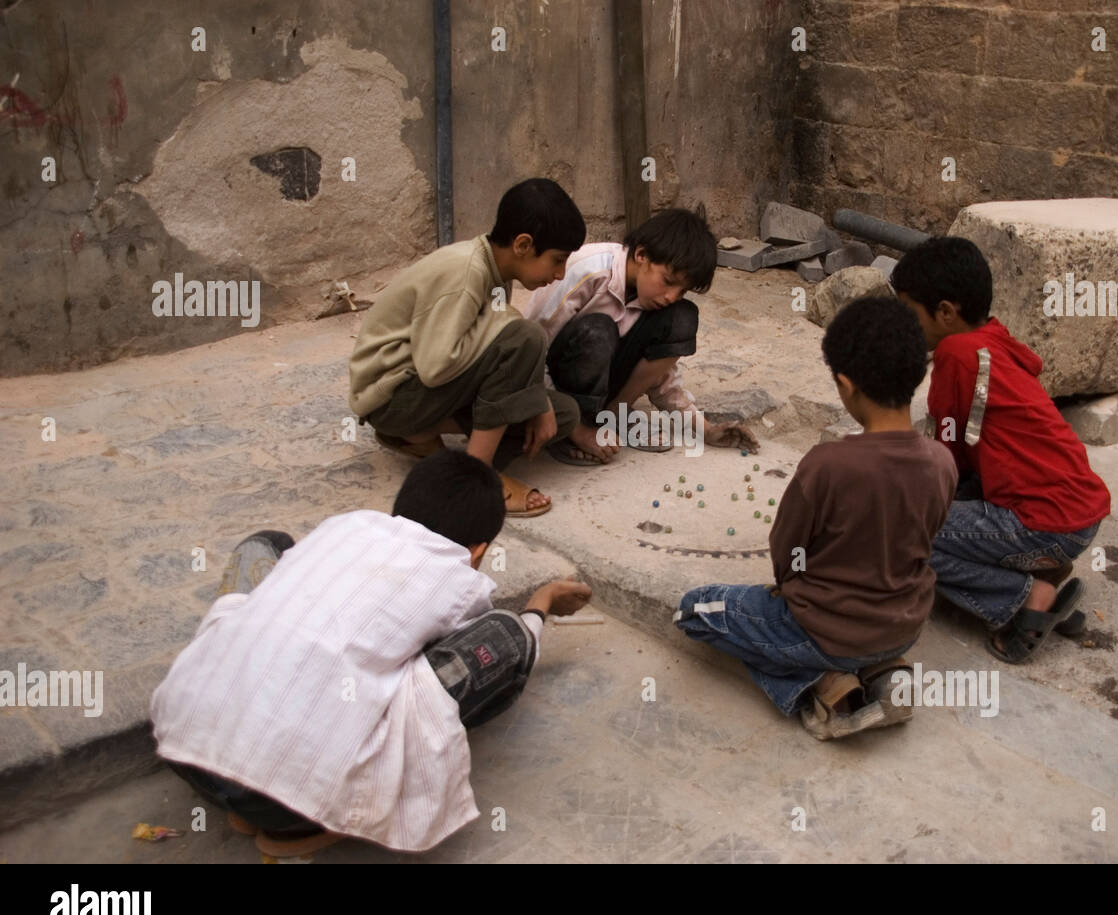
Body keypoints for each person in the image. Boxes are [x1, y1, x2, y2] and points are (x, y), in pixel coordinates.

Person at [150, 450, 592, 857]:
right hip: (290, 802)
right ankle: (304, 824)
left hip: (182, 749)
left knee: (267, 544)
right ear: (479, 551)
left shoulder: (346, 525)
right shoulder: (461, 581)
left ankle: (241, 792)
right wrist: (542, 603)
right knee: (505, 633)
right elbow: (470, 655)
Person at [674, 297, 957, 739]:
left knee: (694, 609)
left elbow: (787, 549)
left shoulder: (828, 464)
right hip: (905, 626)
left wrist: (791, 588)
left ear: (846, 386)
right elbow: (927, 539)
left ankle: (826, 685)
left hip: (823, 629)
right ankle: (885, 670)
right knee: (848, 630)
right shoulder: (942, 461)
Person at [891, 236, 1111, 663]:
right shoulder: (993, 340)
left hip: (1042, 521)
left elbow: (948, 453)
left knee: (901, 534)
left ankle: (1026, 598)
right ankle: (1040, 568)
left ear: (945, 313)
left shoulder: (956, 351)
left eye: (909, 314)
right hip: (1078, 514)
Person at [348, 178, 588, 517]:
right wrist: (507, 322)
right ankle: (472, 482)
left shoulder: (494, 272)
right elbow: (435, 367)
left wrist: (535, 397)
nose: (560, 273)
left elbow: (485, 353)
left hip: (422, 394)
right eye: (557, 260)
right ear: (522, 244)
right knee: (525, 336)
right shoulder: (464, 273)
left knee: (561, 414)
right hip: (393, 399)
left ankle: (417, 436)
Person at [523, 207, 759, 463]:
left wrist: (706, 429)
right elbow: (529, 355)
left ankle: (613, 416)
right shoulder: (585, 270)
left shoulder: (653, 299)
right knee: (599, 330)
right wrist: (573, 428)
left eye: (682, 290)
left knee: (682, 317)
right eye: (668, 281)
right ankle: (572, 429)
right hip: (559, 386)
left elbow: (660, 373)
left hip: (602, 382)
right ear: (642, 255)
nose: (671, 296)